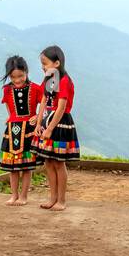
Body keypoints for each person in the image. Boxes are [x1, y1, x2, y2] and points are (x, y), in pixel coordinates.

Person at [32, 45, 79, 211]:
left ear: (57, 63)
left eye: (45, 63)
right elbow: (44, 102)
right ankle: (52, 198)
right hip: (46, 121)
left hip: (59, 124)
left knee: (59, 163)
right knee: (48, 161)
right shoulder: (48, 80)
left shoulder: (65, 81)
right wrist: (38, 124)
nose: (43, 67)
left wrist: (50, 128)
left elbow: (61, 107)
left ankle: (62, 200)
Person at [0, 55, 42, 207]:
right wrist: (11, 119)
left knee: (26, 167)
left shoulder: (36, 88)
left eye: (20, 76)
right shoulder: (7, 90)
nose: (17, 80)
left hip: (28, 130)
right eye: (13, 77)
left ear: (26, 72)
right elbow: (10, 110)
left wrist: (36, 117)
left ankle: (23, 196)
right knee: (12, 167)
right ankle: (14, 195)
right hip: (12, 130)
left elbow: (45, 107)